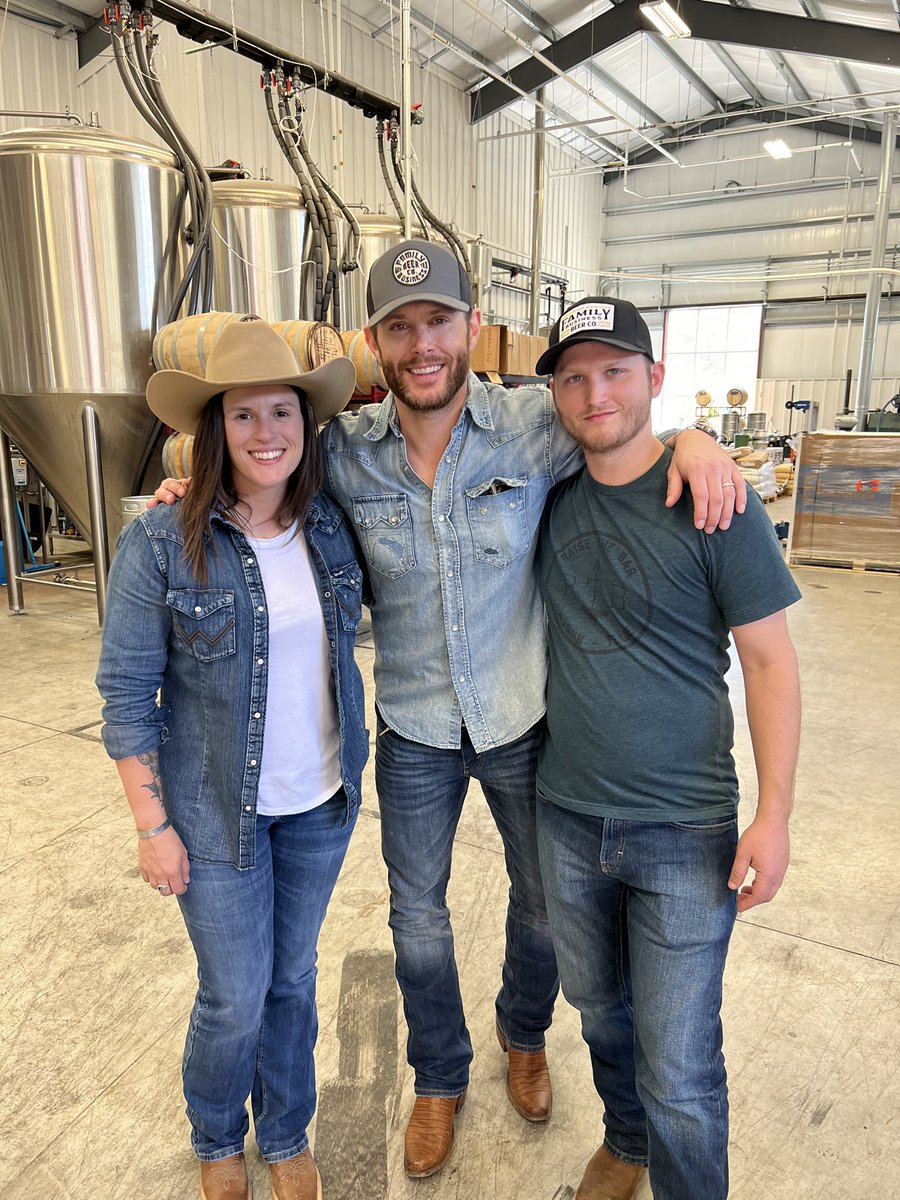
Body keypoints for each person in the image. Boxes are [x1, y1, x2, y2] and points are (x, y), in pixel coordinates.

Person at [154, 241, 747, 1180]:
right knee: (418, 920)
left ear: (471, 326)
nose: (422, 344)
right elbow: (263, 470)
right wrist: (194, 489)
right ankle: (438, 1077)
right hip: (416, 730)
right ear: (375, 342)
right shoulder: (346, 451)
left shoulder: (533, 427)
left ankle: (524, 1034)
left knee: (543, 909)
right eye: (400, 327)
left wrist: (694, 440)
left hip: (524, 723)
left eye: (438, 321)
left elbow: (617, 425)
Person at [533, 297, 801, 1200]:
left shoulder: (718, 502)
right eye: (574, 377)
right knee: (600, 1011)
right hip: (567, 815)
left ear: (653, 378)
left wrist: (774, 816)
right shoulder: (548, 499)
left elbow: (770, 663)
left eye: (615, 371)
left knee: (681, 1066)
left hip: (685, 828)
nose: (594, 394)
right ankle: (626, 1141)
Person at [97, 318, 368, 1200]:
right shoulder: (161, 541)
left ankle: (285, 1134)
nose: (265, 433)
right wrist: (152, 828)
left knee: (292, 980)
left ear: (305, 423)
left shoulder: (329, 524)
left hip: (319, 801)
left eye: (281, 412)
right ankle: (216, 1135)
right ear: (214, 427)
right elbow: (126, 692)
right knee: (234, 994)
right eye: (243, 415)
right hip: (214, 815)